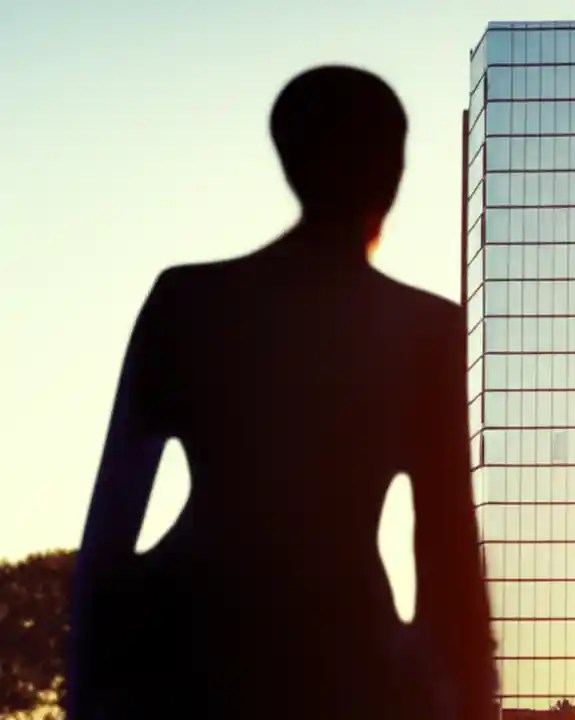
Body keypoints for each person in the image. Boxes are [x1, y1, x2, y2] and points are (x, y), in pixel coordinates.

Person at [68, 65, 497, 719]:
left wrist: (92, 687)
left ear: (288, 156)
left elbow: (108, 531)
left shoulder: (187, 300)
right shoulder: (425, 331)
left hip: (187, 632)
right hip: (345, 651)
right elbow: (447, 554)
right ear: (393, 172)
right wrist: (464, 696)